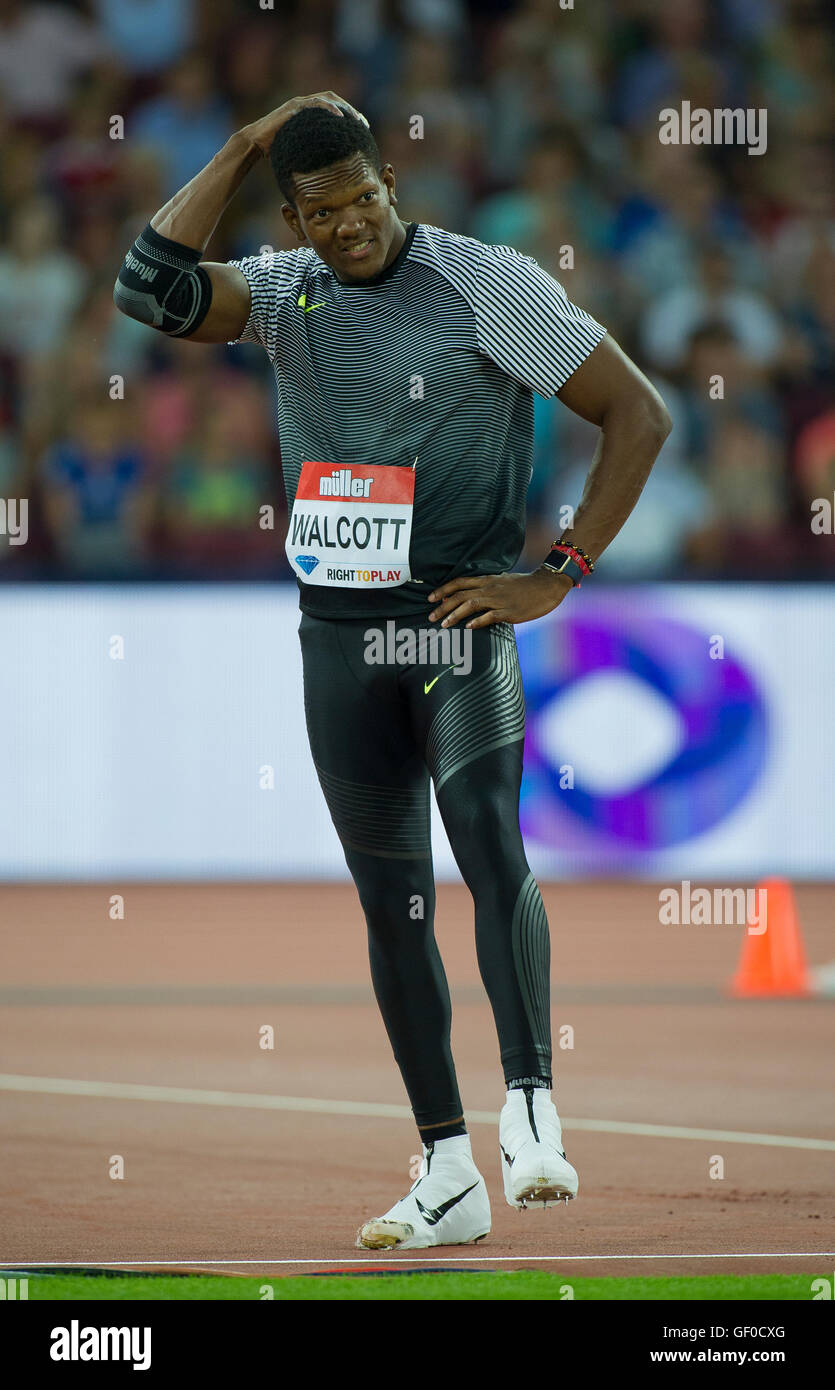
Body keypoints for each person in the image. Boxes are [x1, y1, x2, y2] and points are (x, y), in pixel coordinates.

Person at [113, 92, 671, 1250]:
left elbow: (639, 413)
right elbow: (150, 287)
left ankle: (530, 1110)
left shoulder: (484, 282)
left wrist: (558, 572)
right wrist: (239, 143)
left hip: (455, 617)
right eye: (323, 209)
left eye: (363, 198)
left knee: (485, 833)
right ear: (296, 217)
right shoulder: (281, 290)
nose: (349, 223)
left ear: (388, 186)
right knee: (390, 902)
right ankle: (445, 1167)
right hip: (337, 635)